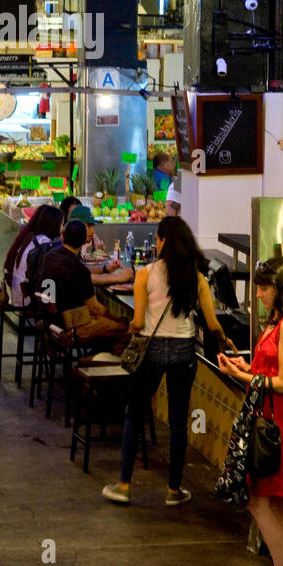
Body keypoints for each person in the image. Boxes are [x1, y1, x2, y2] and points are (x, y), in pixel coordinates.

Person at [102, 216, 233, 508]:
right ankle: (174, 490)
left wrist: (131, 331)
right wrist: (226, 340)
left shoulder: (145, 274)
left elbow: (137, 321)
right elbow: (212, 325)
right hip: (183, 352)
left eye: (158, 239)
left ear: (162, 241)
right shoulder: (197, 279)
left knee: (134, 414)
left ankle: (123, 485)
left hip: (151, 350)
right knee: (177, 422)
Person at [218, 256, 283, 566]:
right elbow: (270, 369)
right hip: (269, 416)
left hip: (275, 423)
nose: (258, 294)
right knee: (274, 502)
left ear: (282, 289)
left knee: (257, 500)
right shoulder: (279, 321)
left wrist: (242, 377)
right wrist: (247, 364)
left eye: (264, 288)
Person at [37, 220, 128, 351]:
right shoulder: (79, 270)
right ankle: (97, 364)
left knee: (111, 324)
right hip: (70, 327)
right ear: (84, 242)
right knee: (124, 328)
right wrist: (116, 319)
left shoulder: (50, 257)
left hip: (50, 321)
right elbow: (95, 308)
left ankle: (95, 358)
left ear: (62, 237)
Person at [3, 204, 64, 307]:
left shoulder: (30, 237)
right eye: (62, 224)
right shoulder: (43, 242)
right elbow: (46, 275)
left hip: (19, 295)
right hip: (28, 300)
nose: (62, 228)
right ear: (53, 224)